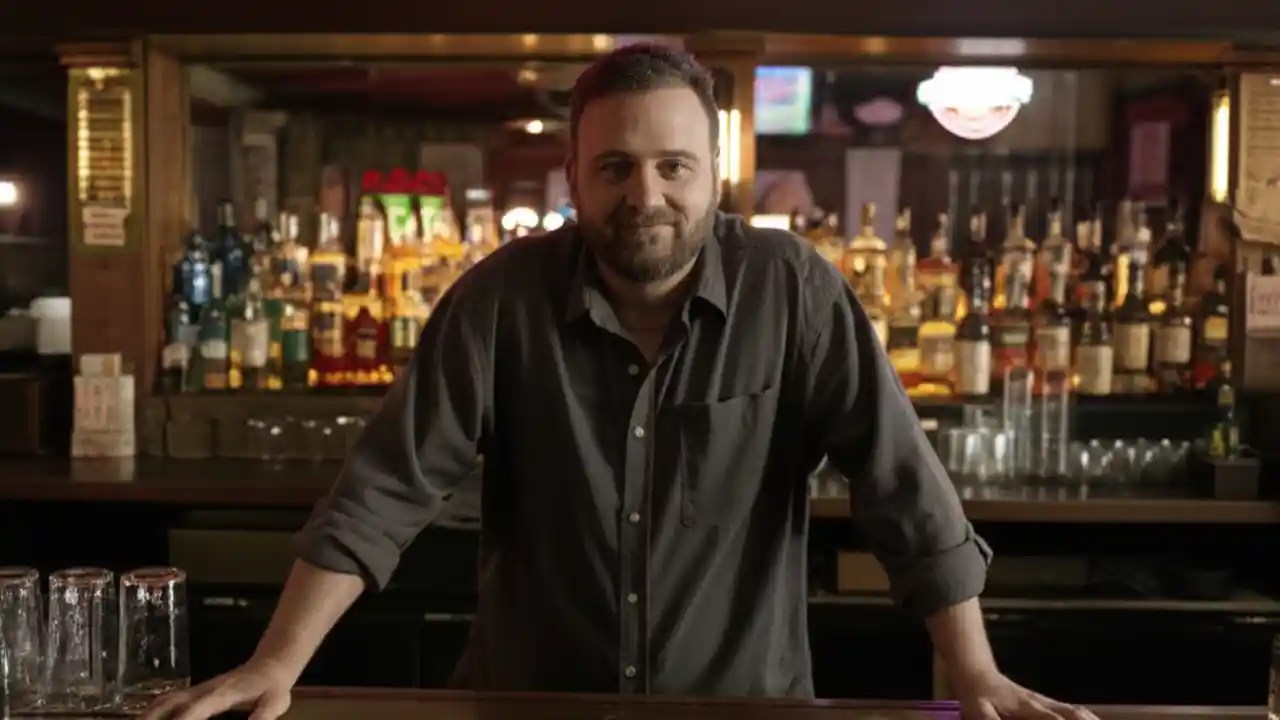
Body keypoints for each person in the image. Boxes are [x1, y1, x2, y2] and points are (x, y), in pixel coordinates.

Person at [144, 45, 1098, 720]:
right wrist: (277, 664)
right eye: (617, 167)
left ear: (714, 173)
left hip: (745, 717)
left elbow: (902, 486)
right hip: (529, 708)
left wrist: (975, 673)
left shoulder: (793, 290)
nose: (647, 195)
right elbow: (383, 492)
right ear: (574, 175)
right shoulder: (500, 299)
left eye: (673, 166)